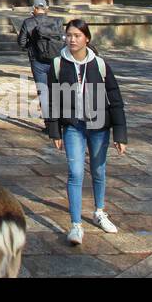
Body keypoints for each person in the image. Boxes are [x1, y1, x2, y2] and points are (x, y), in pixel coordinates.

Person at [46, 19, 128, 246]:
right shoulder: (58, 64)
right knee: (75, 173)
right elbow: (51, 99)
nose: (72, 39)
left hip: (99, 125)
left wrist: (120, 134)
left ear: (87, 39)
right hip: (73, 126)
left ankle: (99, 211)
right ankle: (75, 225)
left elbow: (115, 98)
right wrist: (54, 130)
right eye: (69, 35)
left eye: (77, 36)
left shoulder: (100, 64)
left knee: (98, 170)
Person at [17, 0, 64, 126]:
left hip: (37, 60)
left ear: (34, 8)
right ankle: (59, 120)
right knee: (57, 88)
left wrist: (30, 48)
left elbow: (21, 42)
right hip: (55, 59)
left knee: (43, 90)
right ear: (46, 8)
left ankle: (49, 123)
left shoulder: (28, 22)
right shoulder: (57, 21)